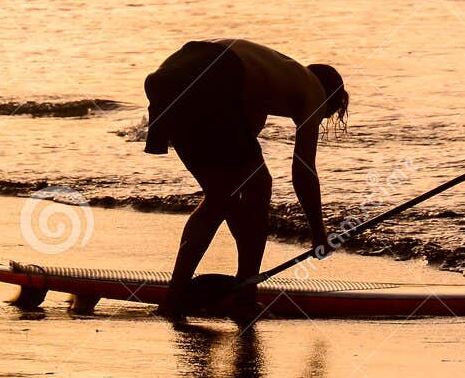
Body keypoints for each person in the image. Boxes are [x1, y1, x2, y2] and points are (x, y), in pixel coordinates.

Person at [142, 39, 348, 320]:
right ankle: (245, 297)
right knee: (259, 186)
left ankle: (173, 299)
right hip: (213, 75)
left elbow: (235, 148)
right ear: (330, 97)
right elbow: (303, 171)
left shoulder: (267, 78)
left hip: (168, 79)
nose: (321, 118)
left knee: (220, 196)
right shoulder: (312, 87)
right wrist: (319, 234)